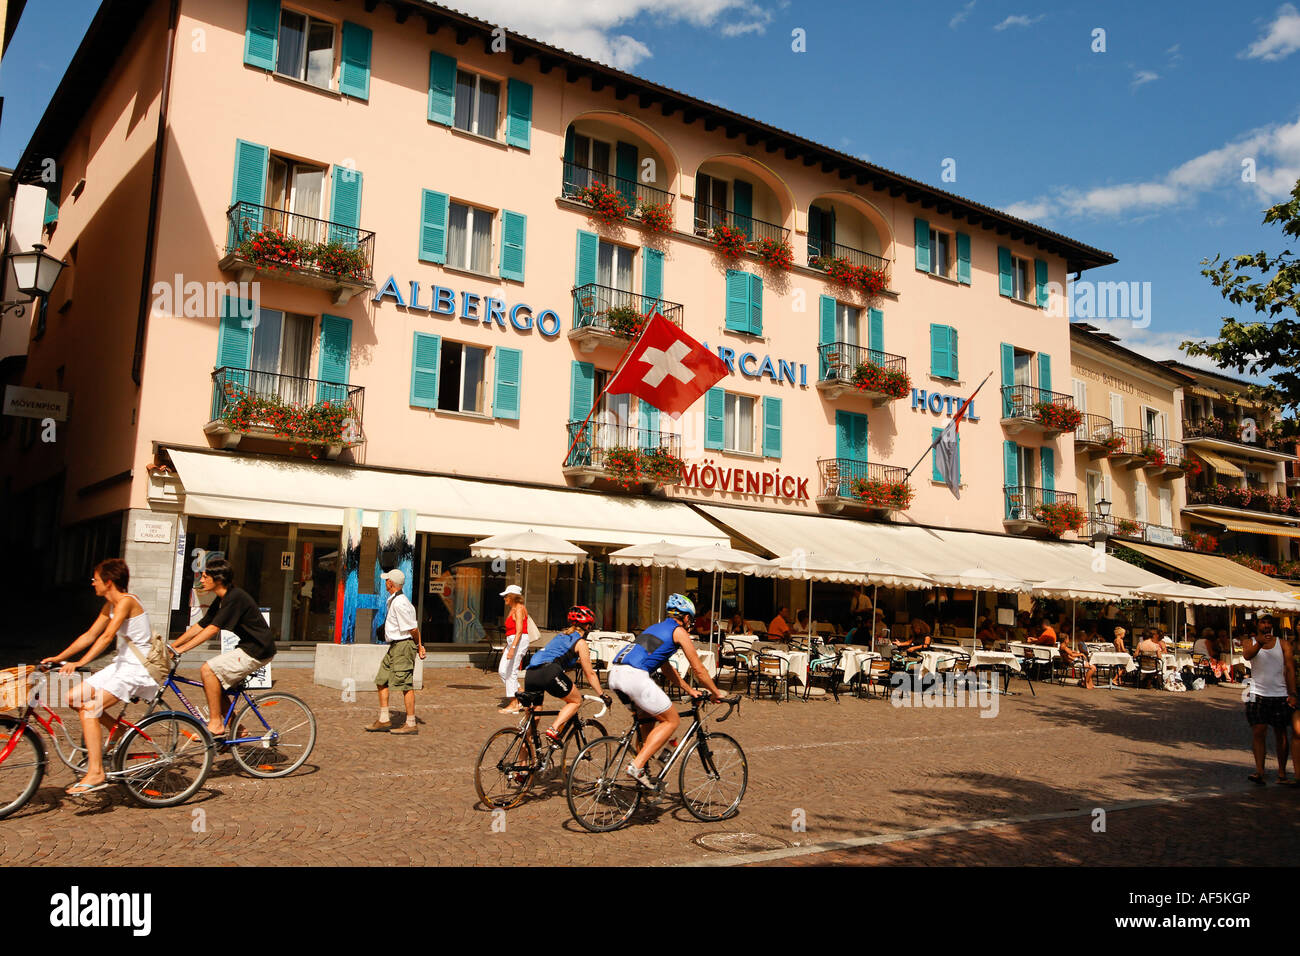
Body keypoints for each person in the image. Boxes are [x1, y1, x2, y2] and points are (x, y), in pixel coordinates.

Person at [42, 559, 159, 796]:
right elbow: (90, 635)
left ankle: (96, 772)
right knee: (73, 698)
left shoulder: (126, 602)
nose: (92, 583)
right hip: (121, 665)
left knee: (90, 709)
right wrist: (58, 657)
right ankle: (115, 731)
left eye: (95, 579)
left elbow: (106, 638)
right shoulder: (110, 605)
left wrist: (81, 663)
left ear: (108, 582)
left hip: (137, 668)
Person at [607, 594, 723, 788]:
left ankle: (643, 768)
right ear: (686, 617)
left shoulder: (655, 628)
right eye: (690, 619)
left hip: (615, 674)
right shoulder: (678, 631)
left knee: (647, 720)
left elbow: (665, 666)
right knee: (671, 720)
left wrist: (688, 689)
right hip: (634, 677)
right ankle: (637, 765)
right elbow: (699, 670)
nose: (690, 623)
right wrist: (715, 692)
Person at [170, 557, 276, 738]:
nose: (201, 580)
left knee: (208, 670)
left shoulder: (235, 597)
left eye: (205, 576)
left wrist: (181, 650)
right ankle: (237, 728)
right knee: (214, 683)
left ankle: (216, 724)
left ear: (218, 579)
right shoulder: (222, 598)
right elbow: (201, 625)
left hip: (258, 650)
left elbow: (212, 629)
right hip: (247, 647)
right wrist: (172, 645)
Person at [523, 605, 606, 743]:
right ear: (588, 626)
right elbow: (590, 673)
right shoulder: (580, 643)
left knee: (533, 720)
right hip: (548, 672)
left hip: (531, 673)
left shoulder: (561, 636)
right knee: (576, 700)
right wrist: (602, 694)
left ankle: (523, 762)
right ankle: (554, 729)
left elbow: (558, 657)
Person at [363, 569, 425, 734]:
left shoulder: (401, 603)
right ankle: (384, 720)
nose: (385, 583)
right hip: (395, 646)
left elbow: (413, 628)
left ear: (391, 583)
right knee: (381, 679)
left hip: (403, 646)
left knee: (405, 683)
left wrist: (419, 646)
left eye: (386, 580)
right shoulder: (395, 601)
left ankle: (411, 723)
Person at [1242, 616, 1296, 784]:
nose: (1266, 625)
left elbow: (1290, 668)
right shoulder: (1249, 642)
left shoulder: (1283, 644)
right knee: (1259, 731)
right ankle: (1259, 771)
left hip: (1279, 693)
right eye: (1263, 622)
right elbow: (1247, 655)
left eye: (1269, 622)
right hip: (1257, 692)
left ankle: (1282, 773)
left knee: (1281, 733)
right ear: (1257, 625)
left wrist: (1292, 692)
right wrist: (1259, 643)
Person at [497, 584, 538, 715]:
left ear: (513, 597)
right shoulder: (513, 609)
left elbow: (519, 631)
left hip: (518, 642)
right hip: (512, 641)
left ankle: (514, 703)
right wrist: (507, 646)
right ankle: (520, 693)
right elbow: (511, 631)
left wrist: (512, 648)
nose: (504, 599)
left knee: (511, 672)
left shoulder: (519, 609)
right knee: (502, 671)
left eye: (506, 596)